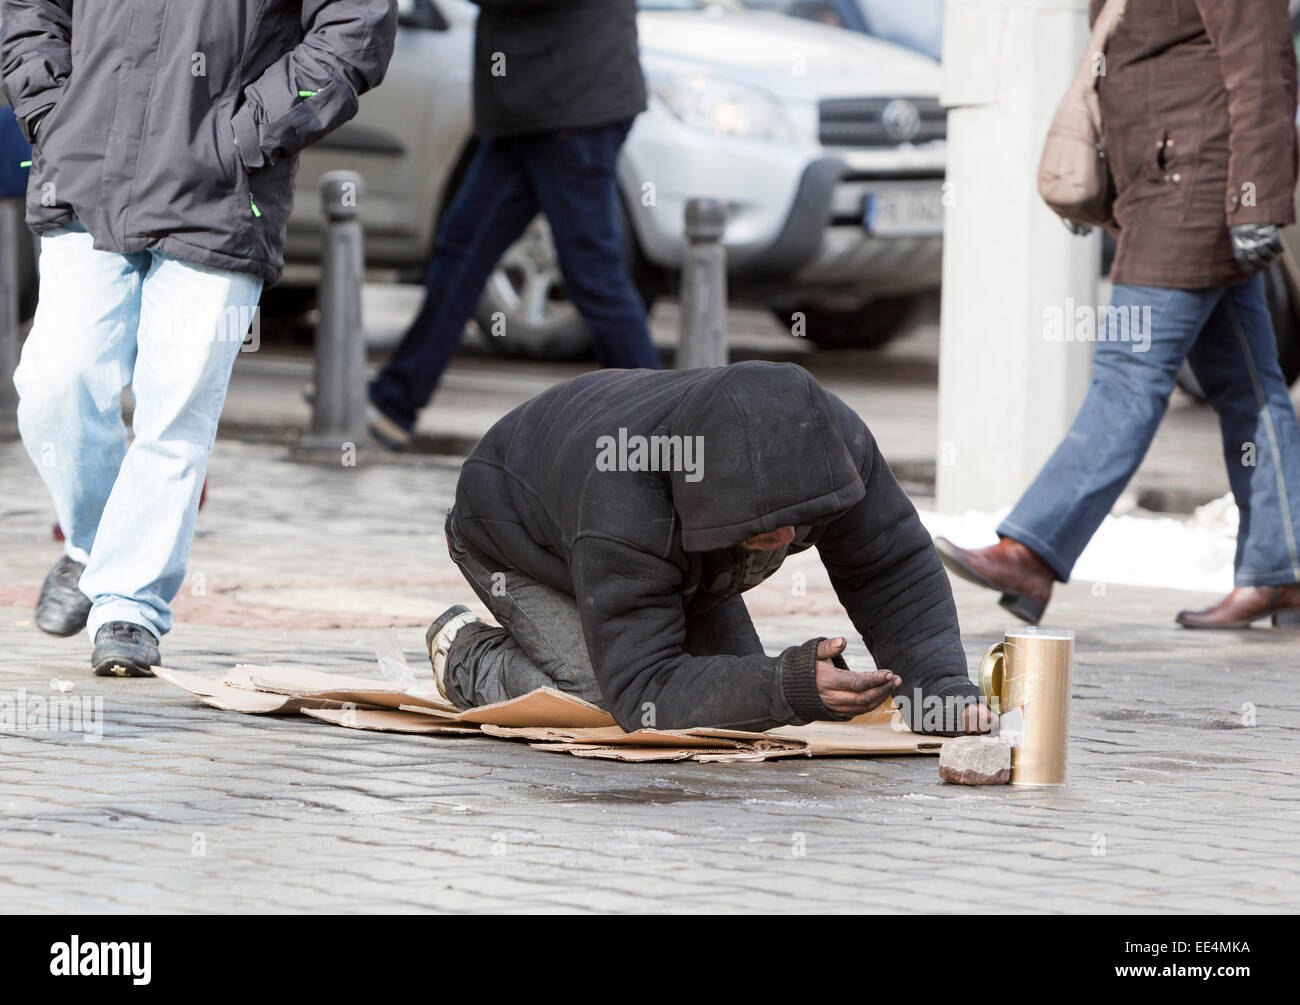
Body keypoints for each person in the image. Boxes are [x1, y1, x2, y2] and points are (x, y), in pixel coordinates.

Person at [3, 0, 397, 676]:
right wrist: (51, 112)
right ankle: (99, 548)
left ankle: (129, 602)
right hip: (86, 171)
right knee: (53, 385)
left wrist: (250, 132)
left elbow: (359, 23)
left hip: (220, 195)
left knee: (176, 407)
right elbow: (29, 9)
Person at [937, 0, 1300, 629]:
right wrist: (1104, 190)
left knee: (1128, 374)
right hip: (1161, 187)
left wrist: (1254, 203)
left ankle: (1031, 551)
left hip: (1194, 191)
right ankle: (1281, 570)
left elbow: (1263, 67)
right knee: (1251, 386)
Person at [426, 362, 993, 735]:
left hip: (665, 548)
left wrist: (940, 691)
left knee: (731, 709)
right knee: (608, 702)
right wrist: (788, 684)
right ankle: (466, 653)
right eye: (764, 529)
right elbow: (644, 689)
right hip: (511, 535)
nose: (784, 543)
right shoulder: (626, 496)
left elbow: (892, 570)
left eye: (798, 526)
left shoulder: (828, 444)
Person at [365, 0, 659, 451]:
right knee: (463, 249)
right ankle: (393, 403)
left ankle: (665, 429)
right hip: (533, 105)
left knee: (592, 274)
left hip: (569, 106)